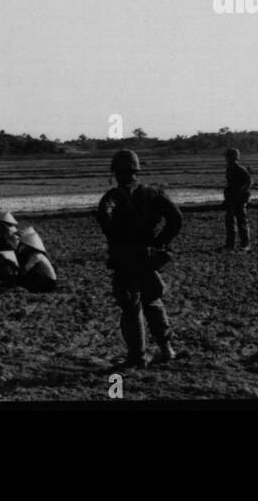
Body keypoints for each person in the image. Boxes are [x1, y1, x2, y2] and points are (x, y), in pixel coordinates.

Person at [95, 150, 182, 367]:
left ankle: (137, 357)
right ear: (136, 169)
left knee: (131, 307)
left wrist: (116, 239)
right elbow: (176, 219)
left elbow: (105, 215)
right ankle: (167, 349)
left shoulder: (112, 197)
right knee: (153, 301)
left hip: (125, 260)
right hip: (149, 257)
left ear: (115, 172)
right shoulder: (154, 193)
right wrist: (160, 242)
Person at [220, 148, 254, 252]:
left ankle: (245, 244)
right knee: (230, 221)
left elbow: (249, 181)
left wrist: (240, 192)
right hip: (232, 198)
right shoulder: (230, 168)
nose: (225, 158)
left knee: (241, 221)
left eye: (226, 156)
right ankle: (230, 244)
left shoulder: (238, 168)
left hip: (239, 199)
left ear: (231, 157)